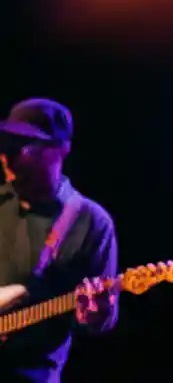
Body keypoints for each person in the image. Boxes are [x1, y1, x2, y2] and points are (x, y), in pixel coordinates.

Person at [0, 98, 119, 383]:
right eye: (7, 145)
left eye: (25, 147)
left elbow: (102, 322)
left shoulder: (91, 222)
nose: (8, 157)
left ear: (61, 149)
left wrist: (96, 314)